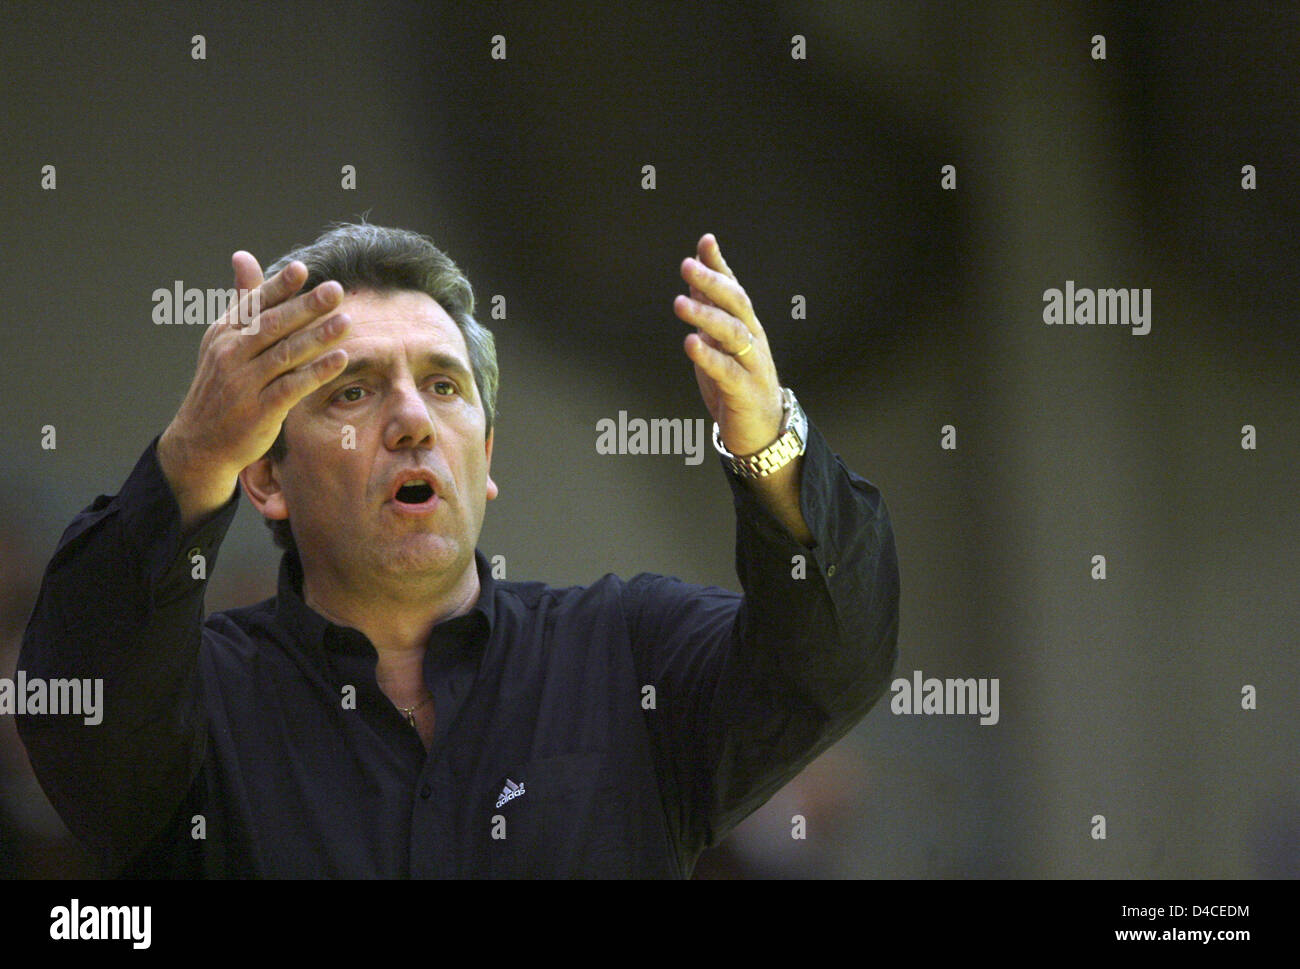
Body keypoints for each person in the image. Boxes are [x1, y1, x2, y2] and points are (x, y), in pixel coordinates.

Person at [16, 223, 900, 878]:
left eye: (443, 384)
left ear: (487, 462)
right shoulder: (196, 702)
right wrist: (193, 454)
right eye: (353, 391)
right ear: (266, 480)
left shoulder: (627, 652)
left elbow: (829, 662)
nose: (411, 419)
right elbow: (73, 713)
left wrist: (771, 446)